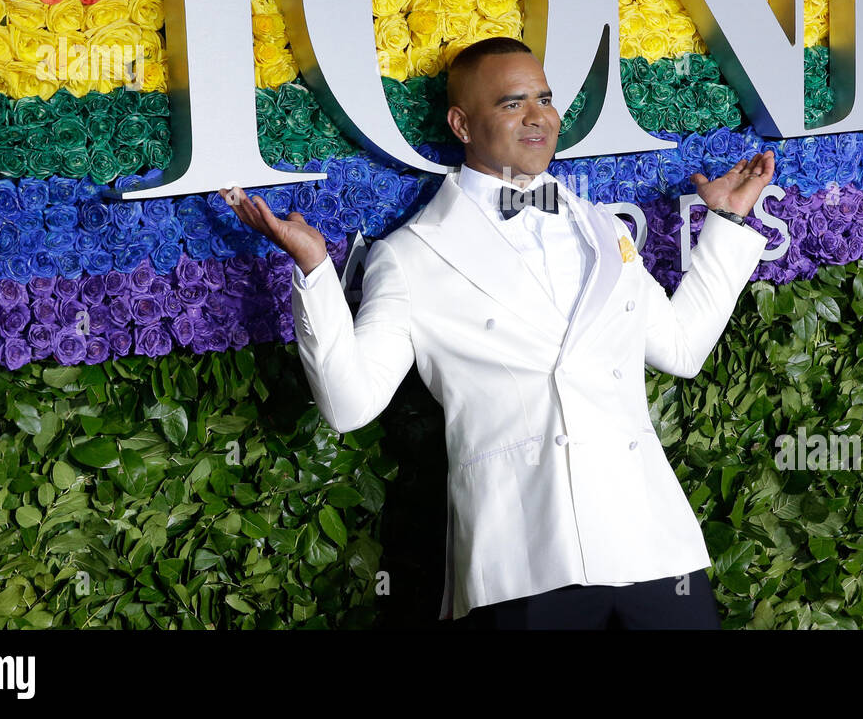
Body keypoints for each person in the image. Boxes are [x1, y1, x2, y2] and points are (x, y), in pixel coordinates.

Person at [220, 36, 776, 629]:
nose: (538, 117)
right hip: (520, 564)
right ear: (461, 123)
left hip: (654, 548)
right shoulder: (412, 255)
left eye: (544, 98)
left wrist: (728, 223)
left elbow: (682, 349)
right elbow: (349, 405)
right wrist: (314, 269)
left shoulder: (604, 229)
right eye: (512, 104)